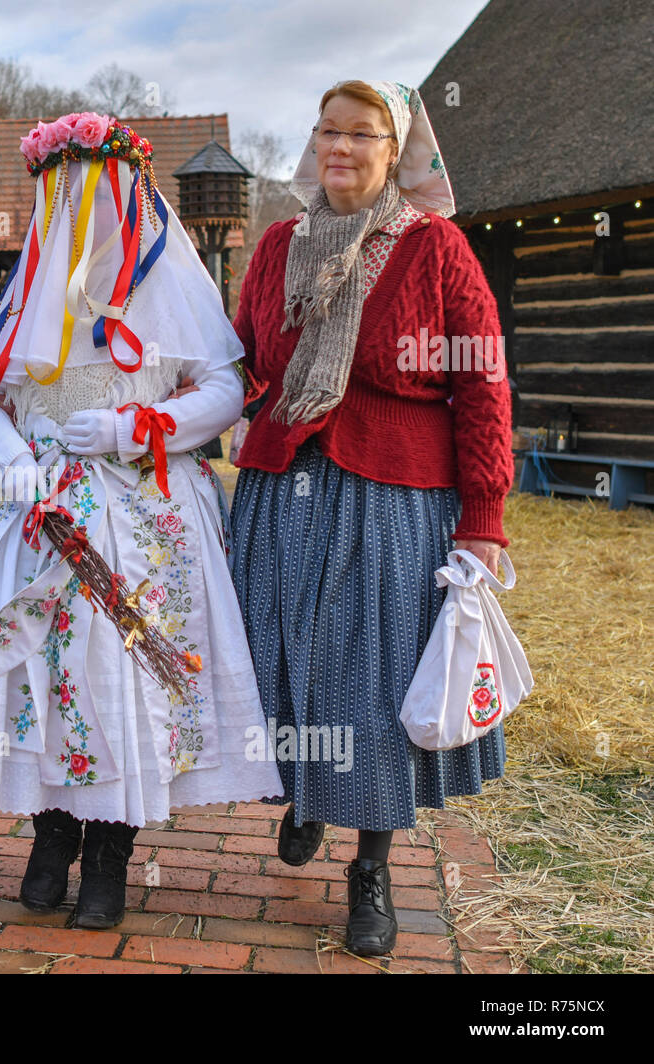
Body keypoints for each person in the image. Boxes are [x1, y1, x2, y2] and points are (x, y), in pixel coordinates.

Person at [0, 113, 283, 929]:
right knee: (39, 671)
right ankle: (52, 830)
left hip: (138, 507)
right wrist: (9, 455)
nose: (80, 206)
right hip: (36, 507)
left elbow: (224, 388)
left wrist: (132, 428)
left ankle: (111, 850)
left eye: (95, 191)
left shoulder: (170, 285)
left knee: (125, 672)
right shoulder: (31, 285)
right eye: (64, 192)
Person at [227, 81, 513, 955]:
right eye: (328, 132)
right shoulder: (281, 244)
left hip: (392, 495)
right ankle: (308, 796)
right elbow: (241, 363)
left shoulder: (437, 250)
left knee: (373, 678)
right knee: (277, 658)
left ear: (397, 151)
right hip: (282, 486)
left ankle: (371, 866)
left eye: (363, 134)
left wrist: (483, 516)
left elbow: (483, 386)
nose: (341, 148)